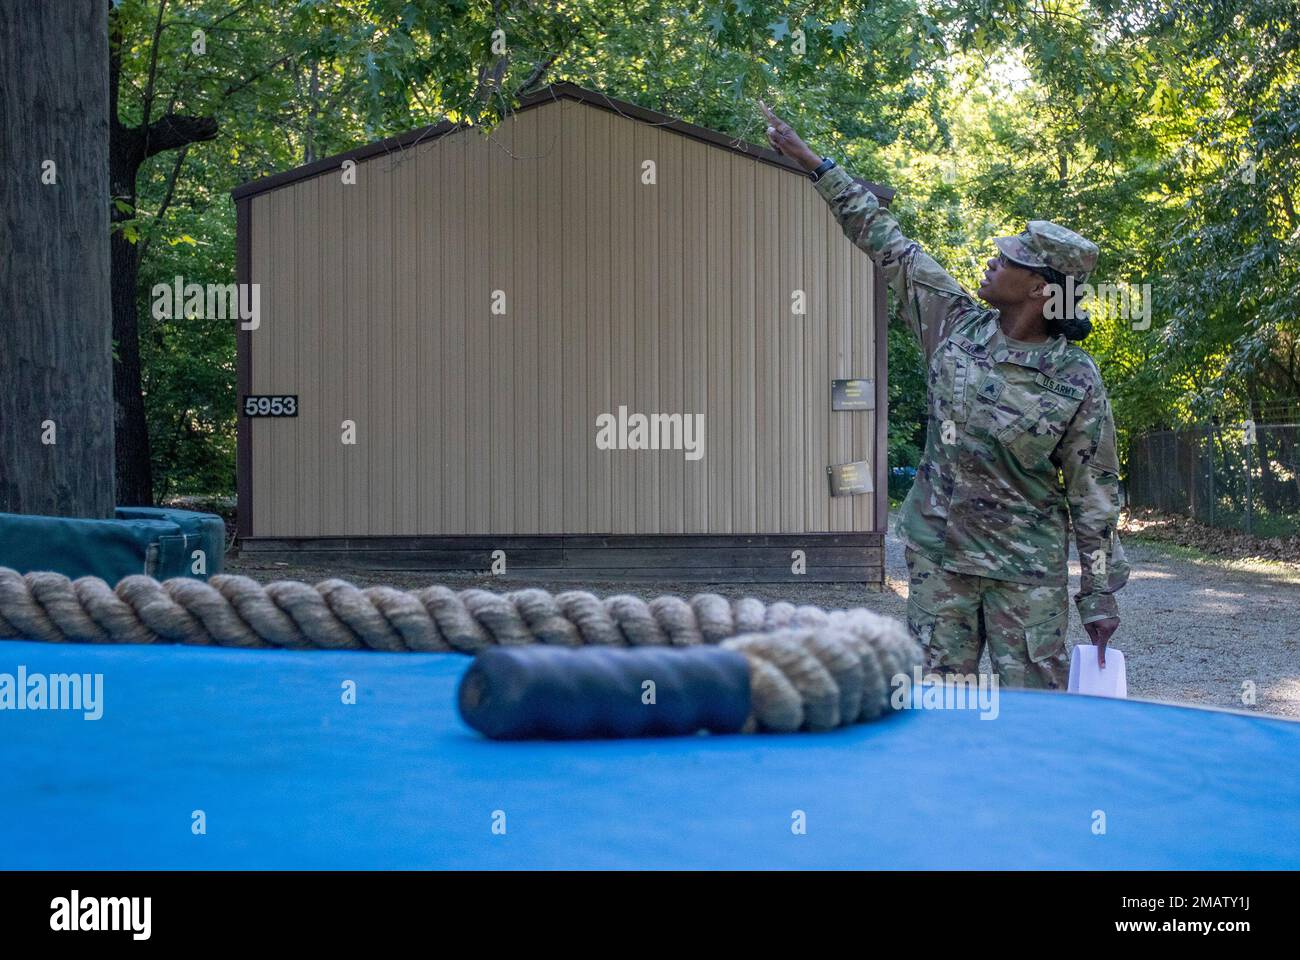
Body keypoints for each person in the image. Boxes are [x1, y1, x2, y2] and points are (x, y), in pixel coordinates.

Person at [760, 101, 1128, 689]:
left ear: (1038, 287)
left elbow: (1095, 498)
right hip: (938, 559)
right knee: (933, 707)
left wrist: (1099, 597)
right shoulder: (953, 323)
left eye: (1007, 258)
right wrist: (814, 164)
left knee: (1032, 721)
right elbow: (885, 239)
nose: (992, 258)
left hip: (1025, 575)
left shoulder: (1075, 377)